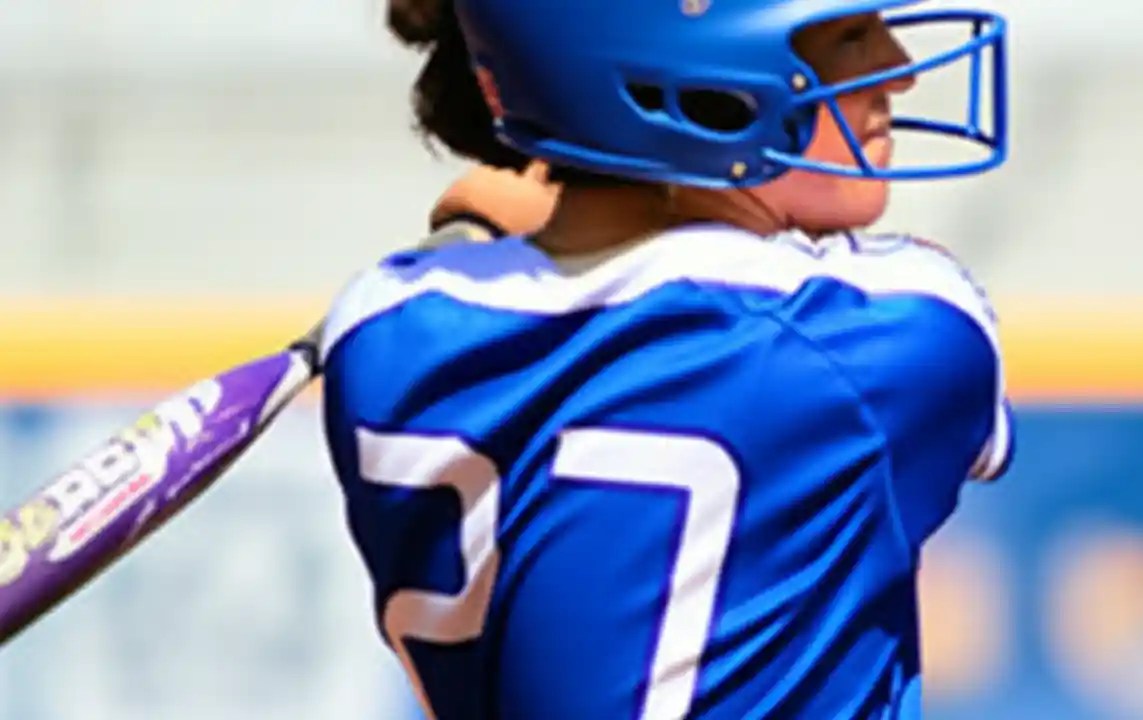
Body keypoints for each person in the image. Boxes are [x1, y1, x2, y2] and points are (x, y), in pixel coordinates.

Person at [323, 0, 1013, 717]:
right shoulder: (884, 341)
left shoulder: (376, 335)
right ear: (702, 82)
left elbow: (599, 304)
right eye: (850, 36)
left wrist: (544, 227)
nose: (898, 71)